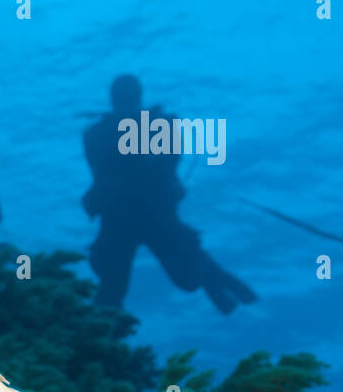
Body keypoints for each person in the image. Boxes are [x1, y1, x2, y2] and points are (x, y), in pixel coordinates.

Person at [83, 75, 257, 314]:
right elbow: (101, 170)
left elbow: (168, 162)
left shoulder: (160, 125)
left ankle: (220, 283)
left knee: (187, 278)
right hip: (120, 218)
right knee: (112, 288)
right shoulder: (98, 133)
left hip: (155, 215)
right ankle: (101, 340)